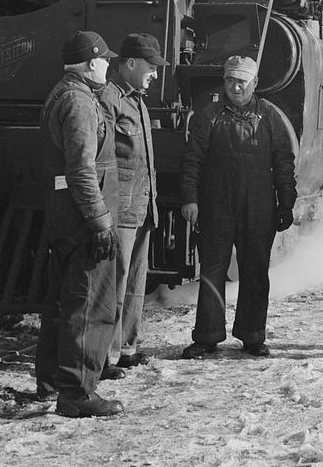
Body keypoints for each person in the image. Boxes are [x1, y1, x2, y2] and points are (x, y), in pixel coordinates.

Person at [179, 55, 298, 359]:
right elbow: (193, 161)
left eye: (242, 81)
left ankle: (253, 335)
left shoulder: (270, 117)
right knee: (212, 270)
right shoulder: (209, 116)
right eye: (230, 80)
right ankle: (207, 336)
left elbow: (284, 163)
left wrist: (286, 203)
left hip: (258, 208)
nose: (235, 87)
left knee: (256, 272)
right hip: (216, 205)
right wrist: (190, 198)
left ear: (255, 83)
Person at [35, 29, 124, 417]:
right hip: (83, 217)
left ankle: (52, 380)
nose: (108, 65)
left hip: (65, 213)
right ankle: (77, 393)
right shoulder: (79, 102)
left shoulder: (64, 92)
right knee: (89, 303)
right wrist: (101, 222)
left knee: (64, 300)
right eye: (105, 59)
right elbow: (82, 171)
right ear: (91, 63)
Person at [98, 32, 166, 371]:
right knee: (116, 281)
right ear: (130, 64)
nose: (155, 74)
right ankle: (105, 356)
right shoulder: (109, 99)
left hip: (141, 205)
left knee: (136, 280)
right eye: (150, 67)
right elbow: (103, 162)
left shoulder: (136, 99)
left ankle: (127, 348)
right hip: (121, 207)